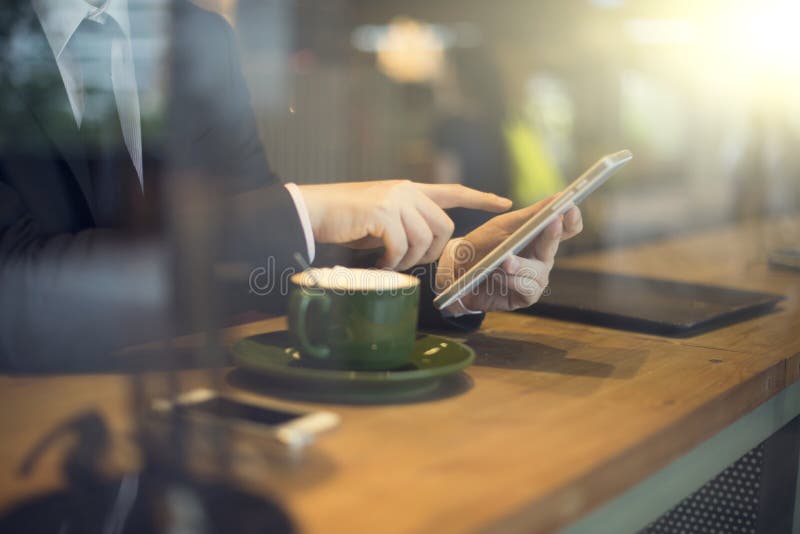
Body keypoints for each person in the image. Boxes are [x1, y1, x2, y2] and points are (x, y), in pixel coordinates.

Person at [0, 0, 582, 370]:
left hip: (192, 407)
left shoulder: (199, 34)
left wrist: (449, 271)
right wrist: (305, 211)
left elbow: (257, 256)